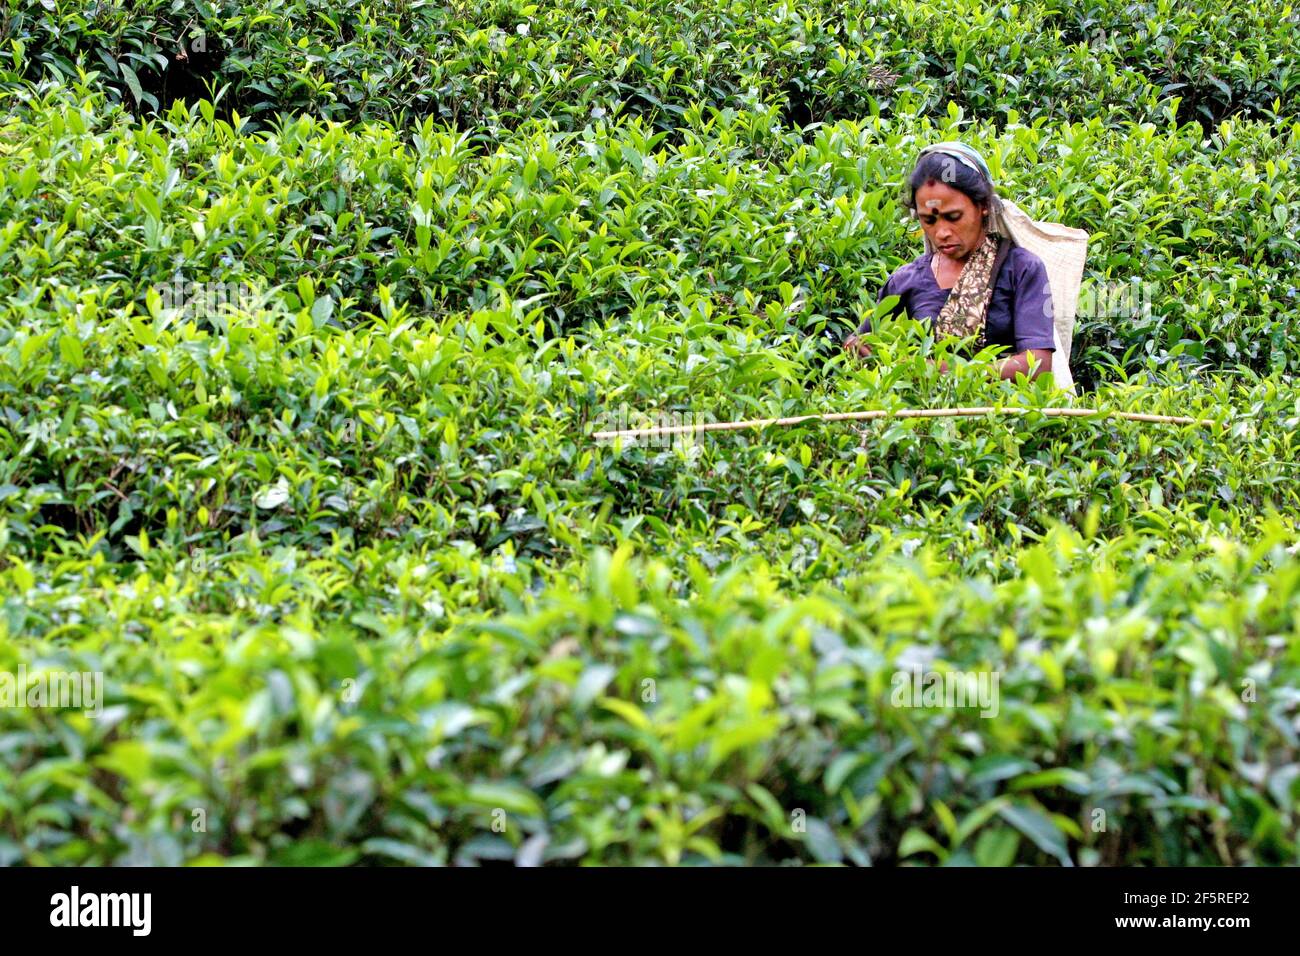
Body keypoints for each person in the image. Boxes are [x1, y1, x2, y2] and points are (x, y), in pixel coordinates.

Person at [843, 142, 1057, 380]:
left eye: (953, 217)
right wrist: (859, 348)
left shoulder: (1021, 269)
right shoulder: (905, 281)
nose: (942, 232)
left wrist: (936, 370)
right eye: (929, 221)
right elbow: (863, 341)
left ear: (984, 206)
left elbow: (1037, 364)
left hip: (1000, 412)